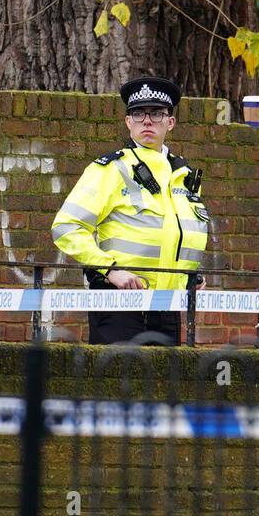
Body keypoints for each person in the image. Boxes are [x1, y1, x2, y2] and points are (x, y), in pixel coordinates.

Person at [52, 76, 211, 345]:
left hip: (166, 307)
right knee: (117, 385)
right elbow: (66, 227)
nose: (146, 121)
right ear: (128, 123)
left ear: (170, 123)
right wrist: (110, 270)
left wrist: (190, 275)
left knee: (162, 385)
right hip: (120, 305)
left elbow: (176, 236)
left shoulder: (183, 175)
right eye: (138, 114)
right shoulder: (112, 169)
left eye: (157, 113)